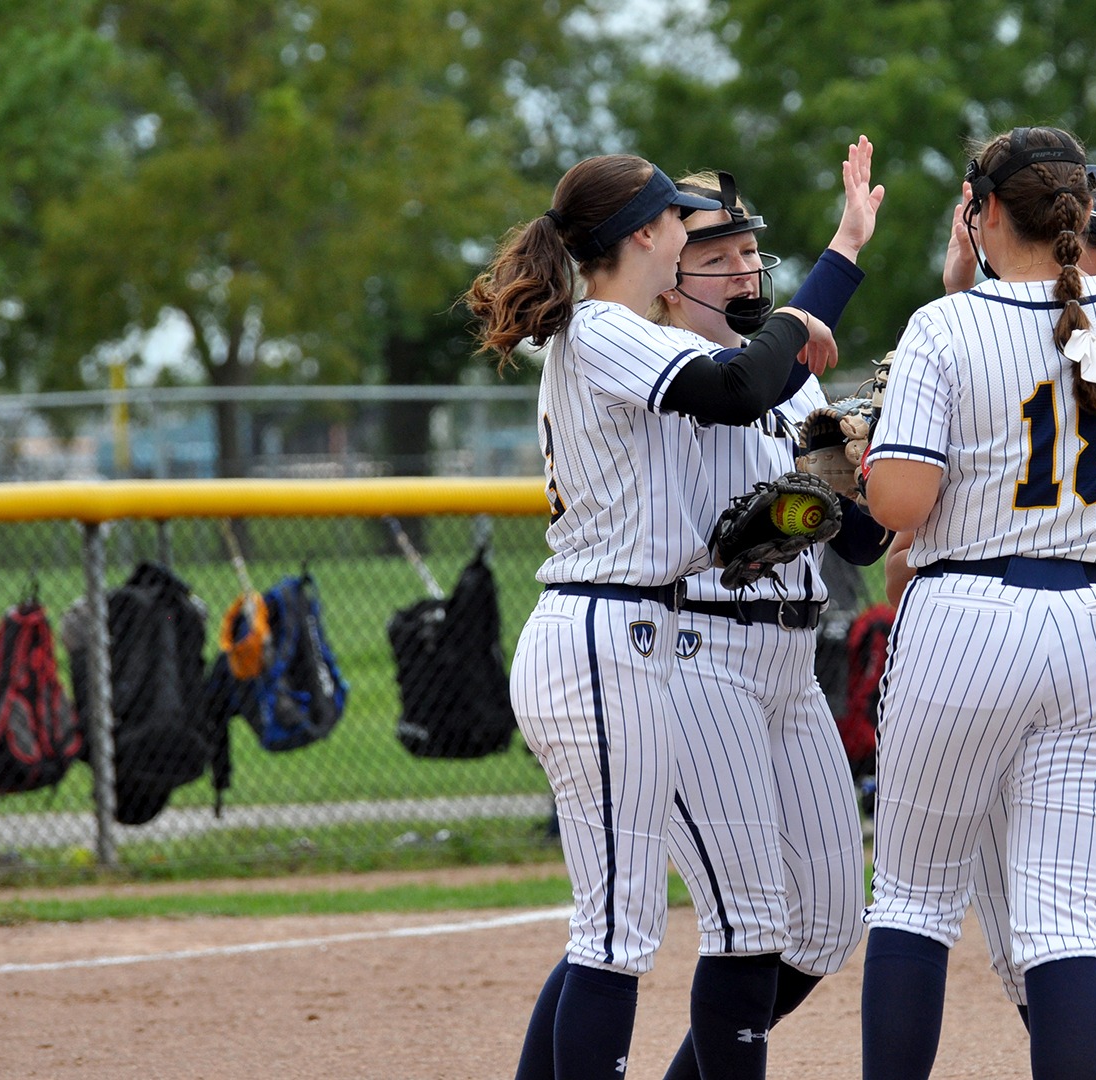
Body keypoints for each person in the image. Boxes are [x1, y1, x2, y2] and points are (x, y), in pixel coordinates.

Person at [462, 152, 839, 1080]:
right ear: (641, 233)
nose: (686, 233)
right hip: (604, 634)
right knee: (617, 932)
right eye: (674, 219)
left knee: (617, 929)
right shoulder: (602, 328)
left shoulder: (624, 332)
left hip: (632, 630)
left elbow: (744, 399)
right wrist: (824, 285)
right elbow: (738, 385)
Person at [859, 126, 1096, 1080]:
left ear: (984, 211)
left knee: (915, 901)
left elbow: (901, 504)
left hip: (970, 619)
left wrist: (869, 454)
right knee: (1065, 920)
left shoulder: (946, 324)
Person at [648, 144, 890, 1080]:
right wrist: (848, 246)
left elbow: (860, 541)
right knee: (744, 922)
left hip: (789, 669)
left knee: (827, 924)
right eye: (716, 255)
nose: (745, 267)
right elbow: (745, 385)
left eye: (750, 251)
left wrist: (865, 473)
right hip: (696, 652)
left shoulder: (790, 377)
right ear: (665, 273)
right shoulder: (666, 361)